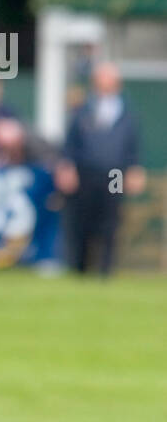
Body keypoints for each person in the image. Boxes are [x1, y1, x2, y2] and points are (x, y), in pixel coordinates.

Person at [55, 61, 146, 275]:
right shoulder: (83, 111)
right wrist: (67, 168)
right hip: (87, 173)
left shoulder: (127, 115)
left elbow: (132, 148)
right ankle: (79, 268)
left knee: (110, 220)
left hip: (115, 174)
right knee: (82, 220)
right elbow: (70, 145)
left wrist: (134, 170)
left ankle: (105, 270)